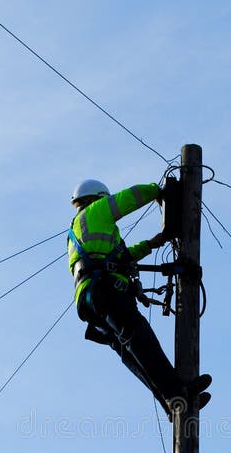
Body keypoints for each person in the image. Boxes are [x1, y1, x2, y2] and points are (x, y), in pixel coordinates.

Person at [68, 178, 211, 417]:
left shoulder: (80, 231)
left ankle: (171, 402)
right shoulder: (96, 211)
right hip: (105, 289)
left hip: (89, 300)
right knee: (138, 336)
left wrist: (151, 244)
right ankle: (177, 390)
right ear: (98, 198)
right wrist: (156, 191)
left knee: (128, 350)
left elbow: (121, 257)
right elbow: (128, 198)